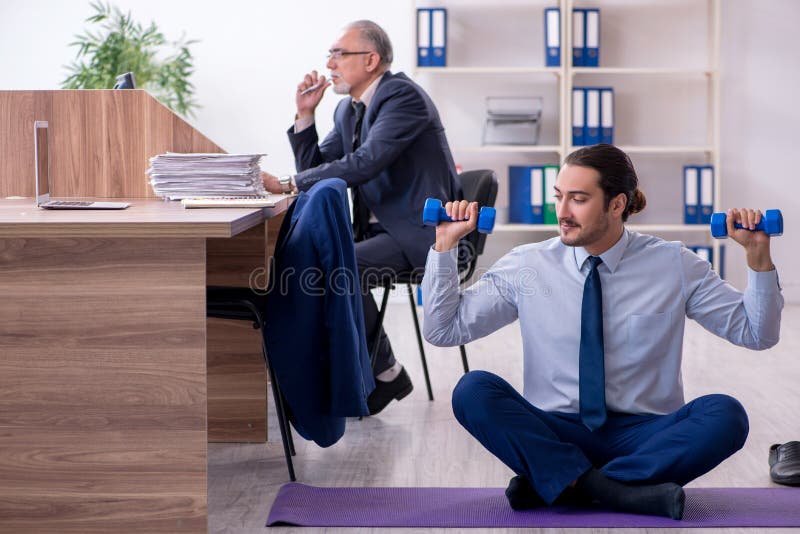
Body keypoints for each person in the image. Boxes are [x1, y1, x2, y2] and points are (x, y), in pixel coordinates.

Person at [421, 144, 783, 519]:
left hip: (645, 435)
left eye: (578, 199)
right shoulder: (527, 265)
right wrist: (445, 245)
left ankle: (561, 481)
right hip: (558, 431)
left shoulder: (673, 264)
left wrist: (758, 256)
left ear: (616, 204)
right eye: (559, 197)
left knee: (726, 415)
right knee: (473, 389)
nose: (562, 212)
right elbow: (444, 329)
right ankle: (617, 492)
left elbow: (756, 333)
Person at [262, 20, 461, 415]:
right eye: (330, 55)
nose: (329, 64)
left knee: (339, 267)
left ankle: (380, 374)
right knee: (309, 261)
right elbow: (320, 169)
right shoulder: (349, 109)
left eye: (339, 54)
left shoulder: (402, 97)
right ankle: (378, 371)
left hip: (419, 232)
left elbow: (364, 163)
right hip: (378, 232)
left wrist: (287, 183)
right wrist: (305, 116)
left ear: (371, 60)